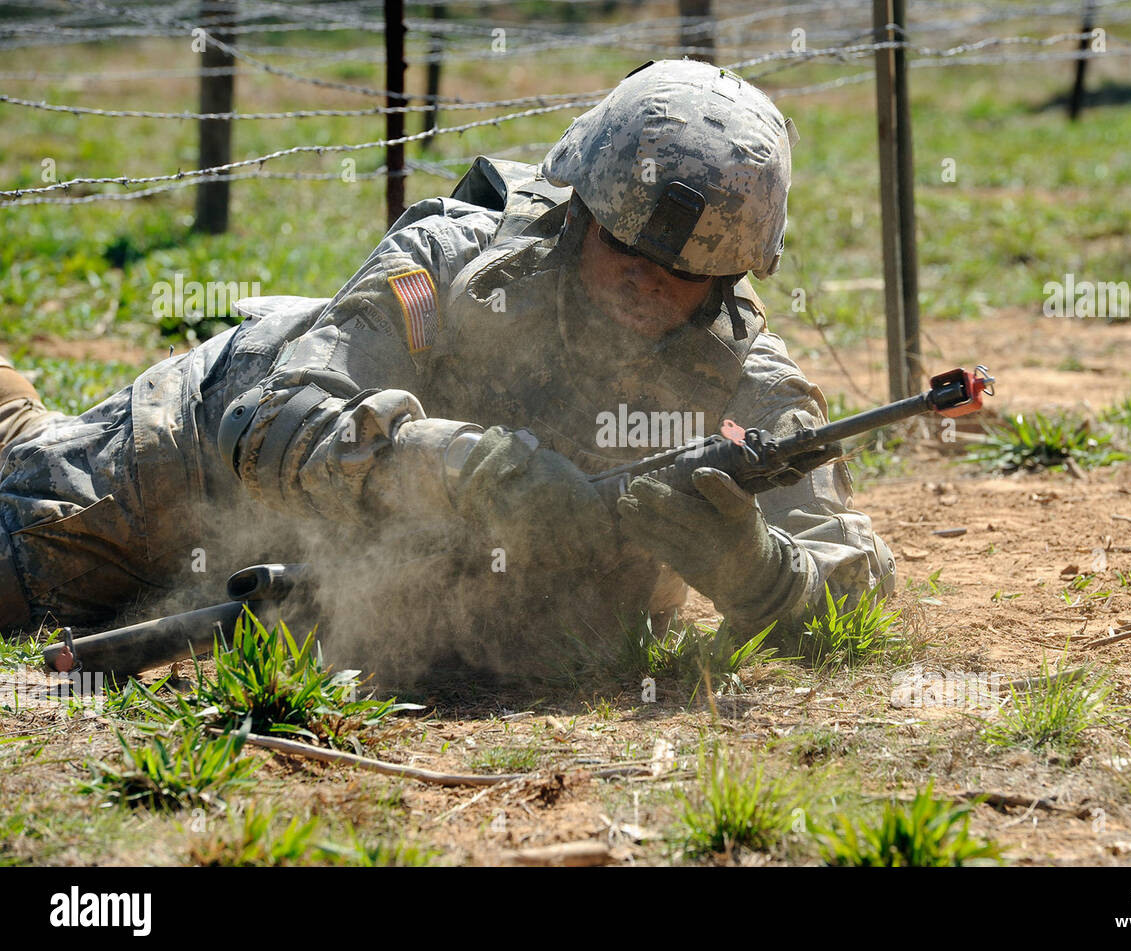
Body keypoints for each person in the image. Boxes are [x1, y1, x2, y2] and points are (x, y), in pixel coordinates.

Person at [0, 60, 894, 687]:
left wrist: (762, 575)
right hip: (190, 457)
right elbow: (276, 417)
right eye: (622, 243)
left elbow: (855, 580)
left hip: (335, 583)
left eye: (683, 273)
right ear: (580, 208)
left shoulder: (749, 389)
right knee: (19, 567)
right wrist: (471, 468)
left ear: (731, 276)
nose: (644, 280)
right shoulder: (449, 263)